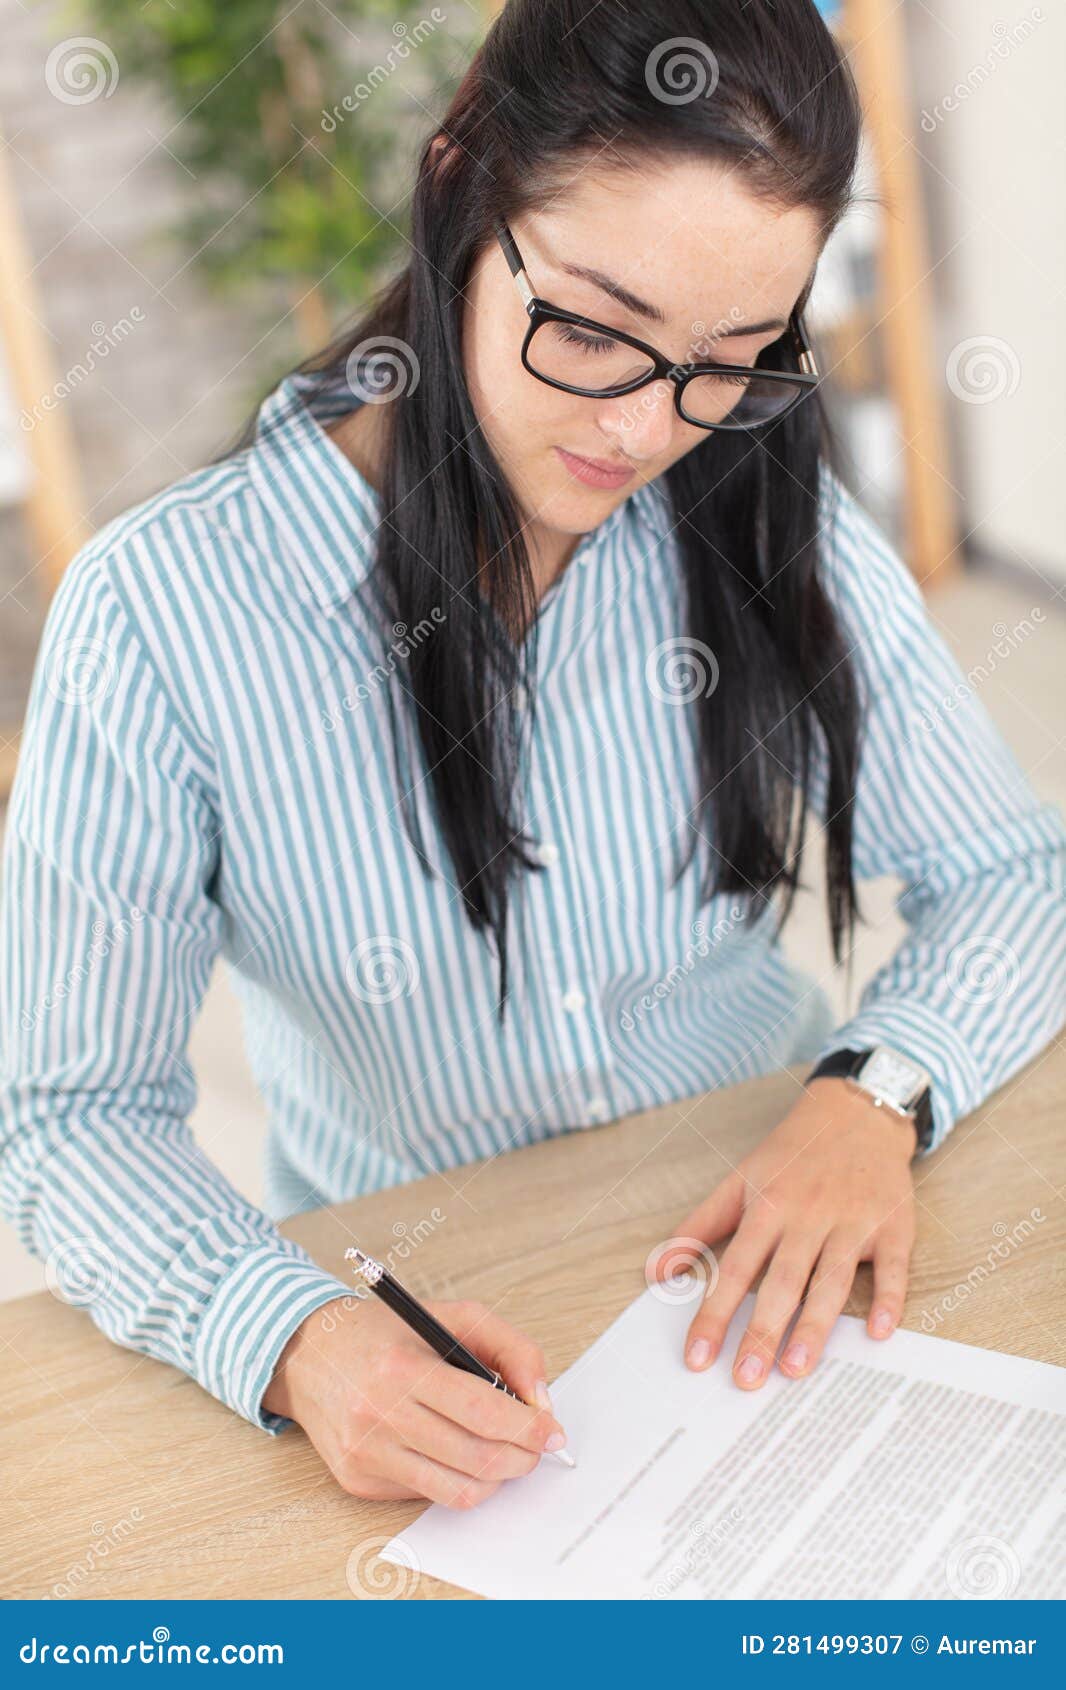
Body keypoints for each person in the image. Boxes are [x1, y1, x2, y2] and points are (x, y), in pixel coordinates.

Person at [2, 0, 1063, 1513]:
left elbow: (1010, 871)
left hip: (765, 1255)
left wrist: (871, 1094)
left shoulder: (765, 515)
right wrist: (292, 1337)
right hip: (426, 1316)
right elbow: (70, 1115)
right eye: (591, 328)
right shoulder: (165, 612)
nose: (644, 429)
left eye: (726, 361)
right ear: (457, 190)